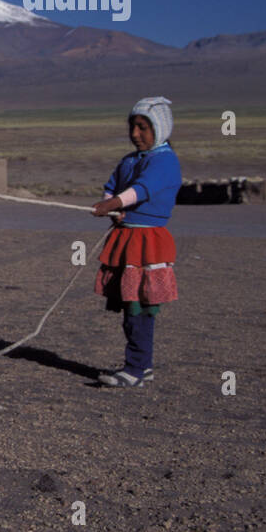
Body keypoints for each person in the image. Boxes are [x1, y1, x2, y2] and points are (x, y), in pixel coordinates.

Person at [90, 97, 181, 387]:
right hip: (126, 237)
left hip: (147, 242)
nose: (135, 134)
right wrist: (111, 204)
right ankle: (142, 364)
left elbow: (143, 189)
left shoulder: (165, 161)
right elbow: (112, 185)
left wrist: (114, 203)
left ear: (160, 128)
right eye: (133, 127)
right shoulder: (129, 161)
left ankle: (136, 368)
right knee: (129, 305)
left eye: (143, 127)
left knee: (140, 306)